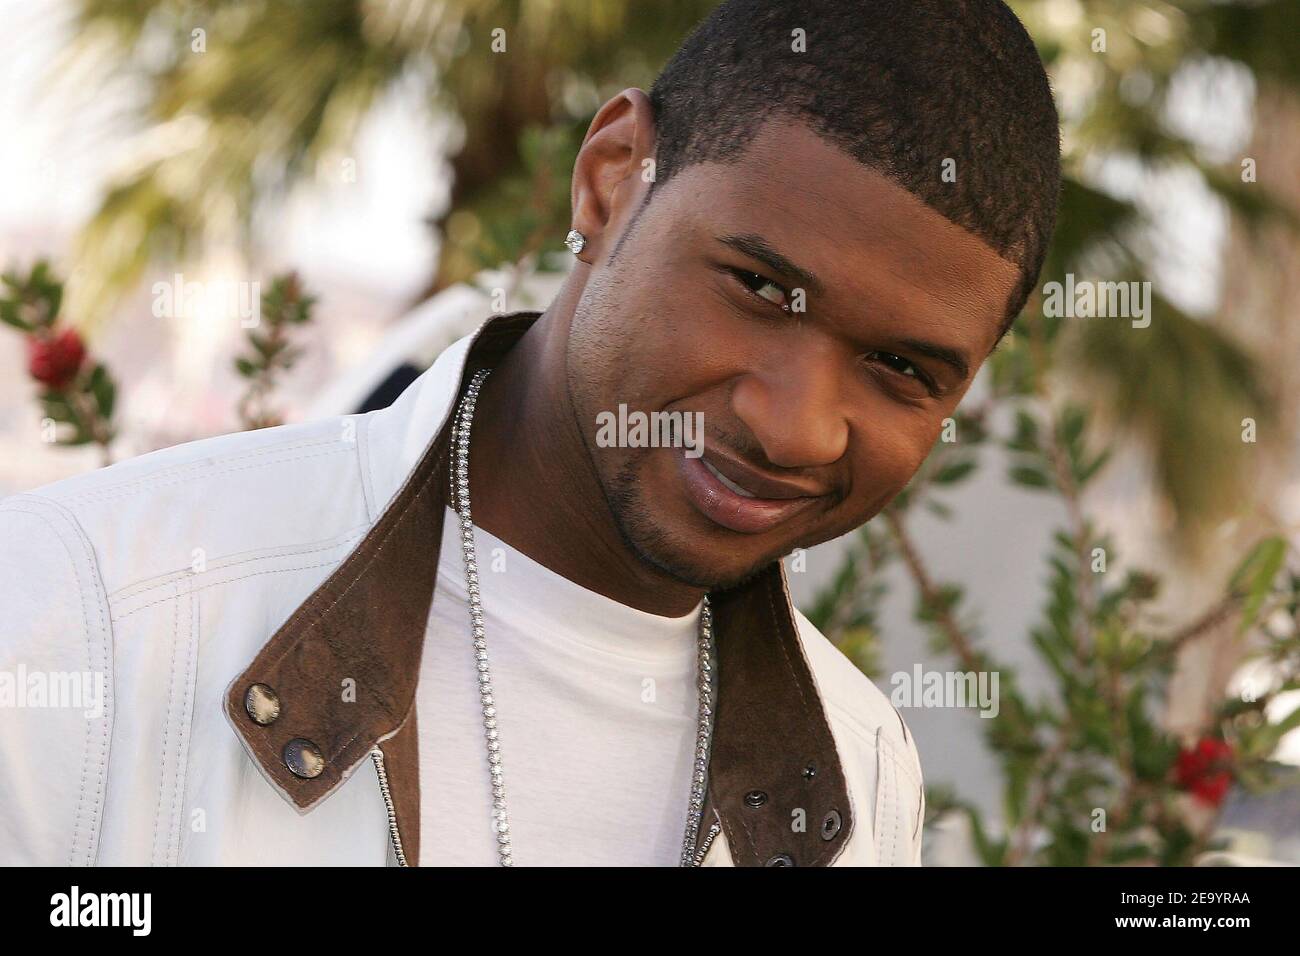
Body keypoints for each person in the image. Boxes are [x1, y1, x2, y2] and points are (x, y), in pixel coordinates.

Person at [0, 0, 1059, 866]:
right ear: (611, 181)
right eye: (758, 286)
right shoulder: (83, 613)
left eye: (901, 369)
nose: (792, 425)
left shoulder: (859, 769)